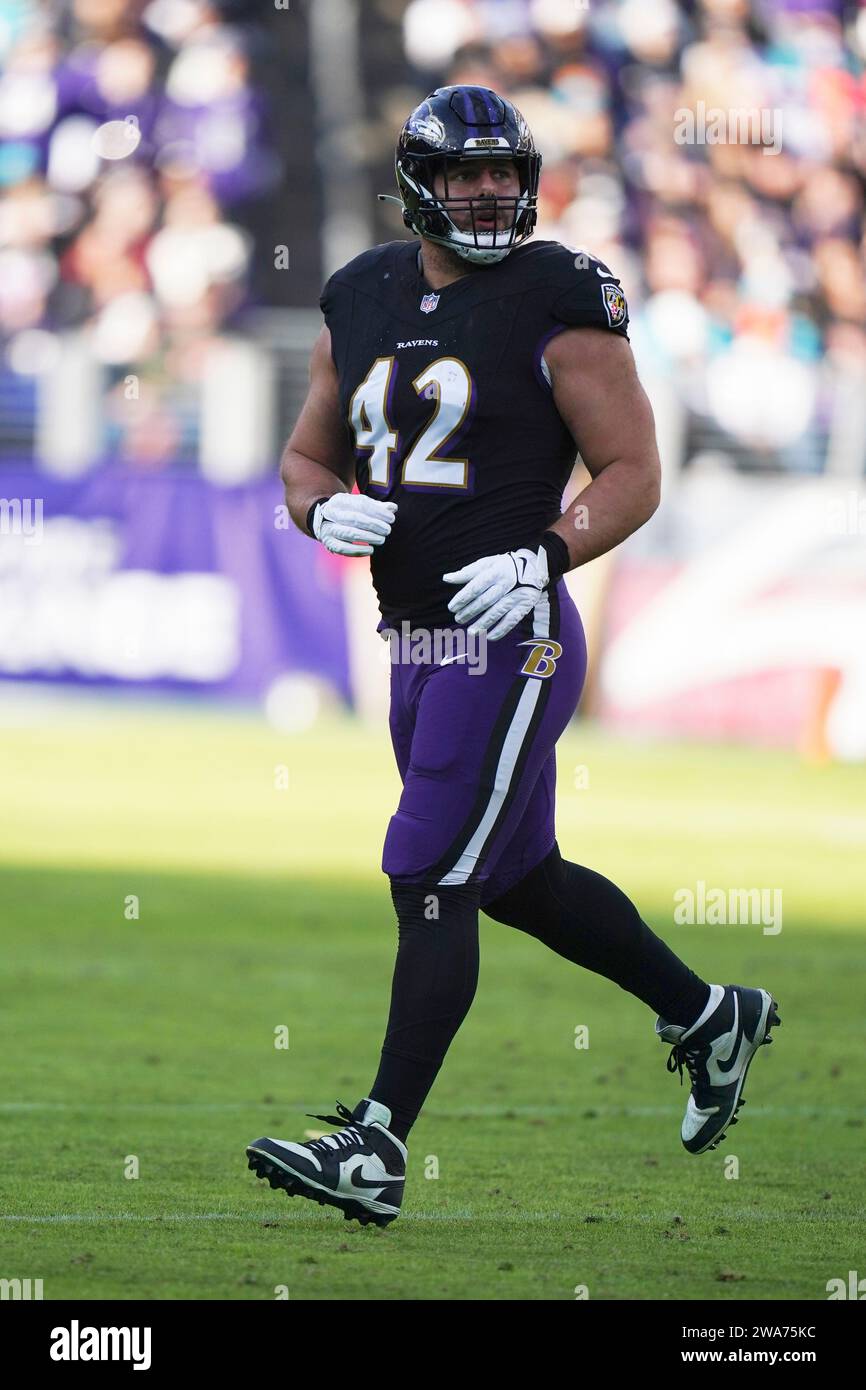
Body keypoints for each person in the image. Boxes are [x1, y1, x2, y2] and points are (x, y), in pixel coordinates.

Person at [245, 87, 779, 1228]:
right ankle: (706, 1013)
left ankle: (377, 1145)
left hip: (510, 634)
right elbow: (302, 457)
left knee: (428, 868)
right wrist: (315, 510)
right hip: (414, 636)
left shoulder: (557, 291)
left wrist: (545, 554)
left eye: (505, 171)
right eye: (464, 174)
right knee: (515, 879)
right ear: (415, 185)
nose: (489, 192)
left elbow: (632, 468)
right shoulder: (361, 292)